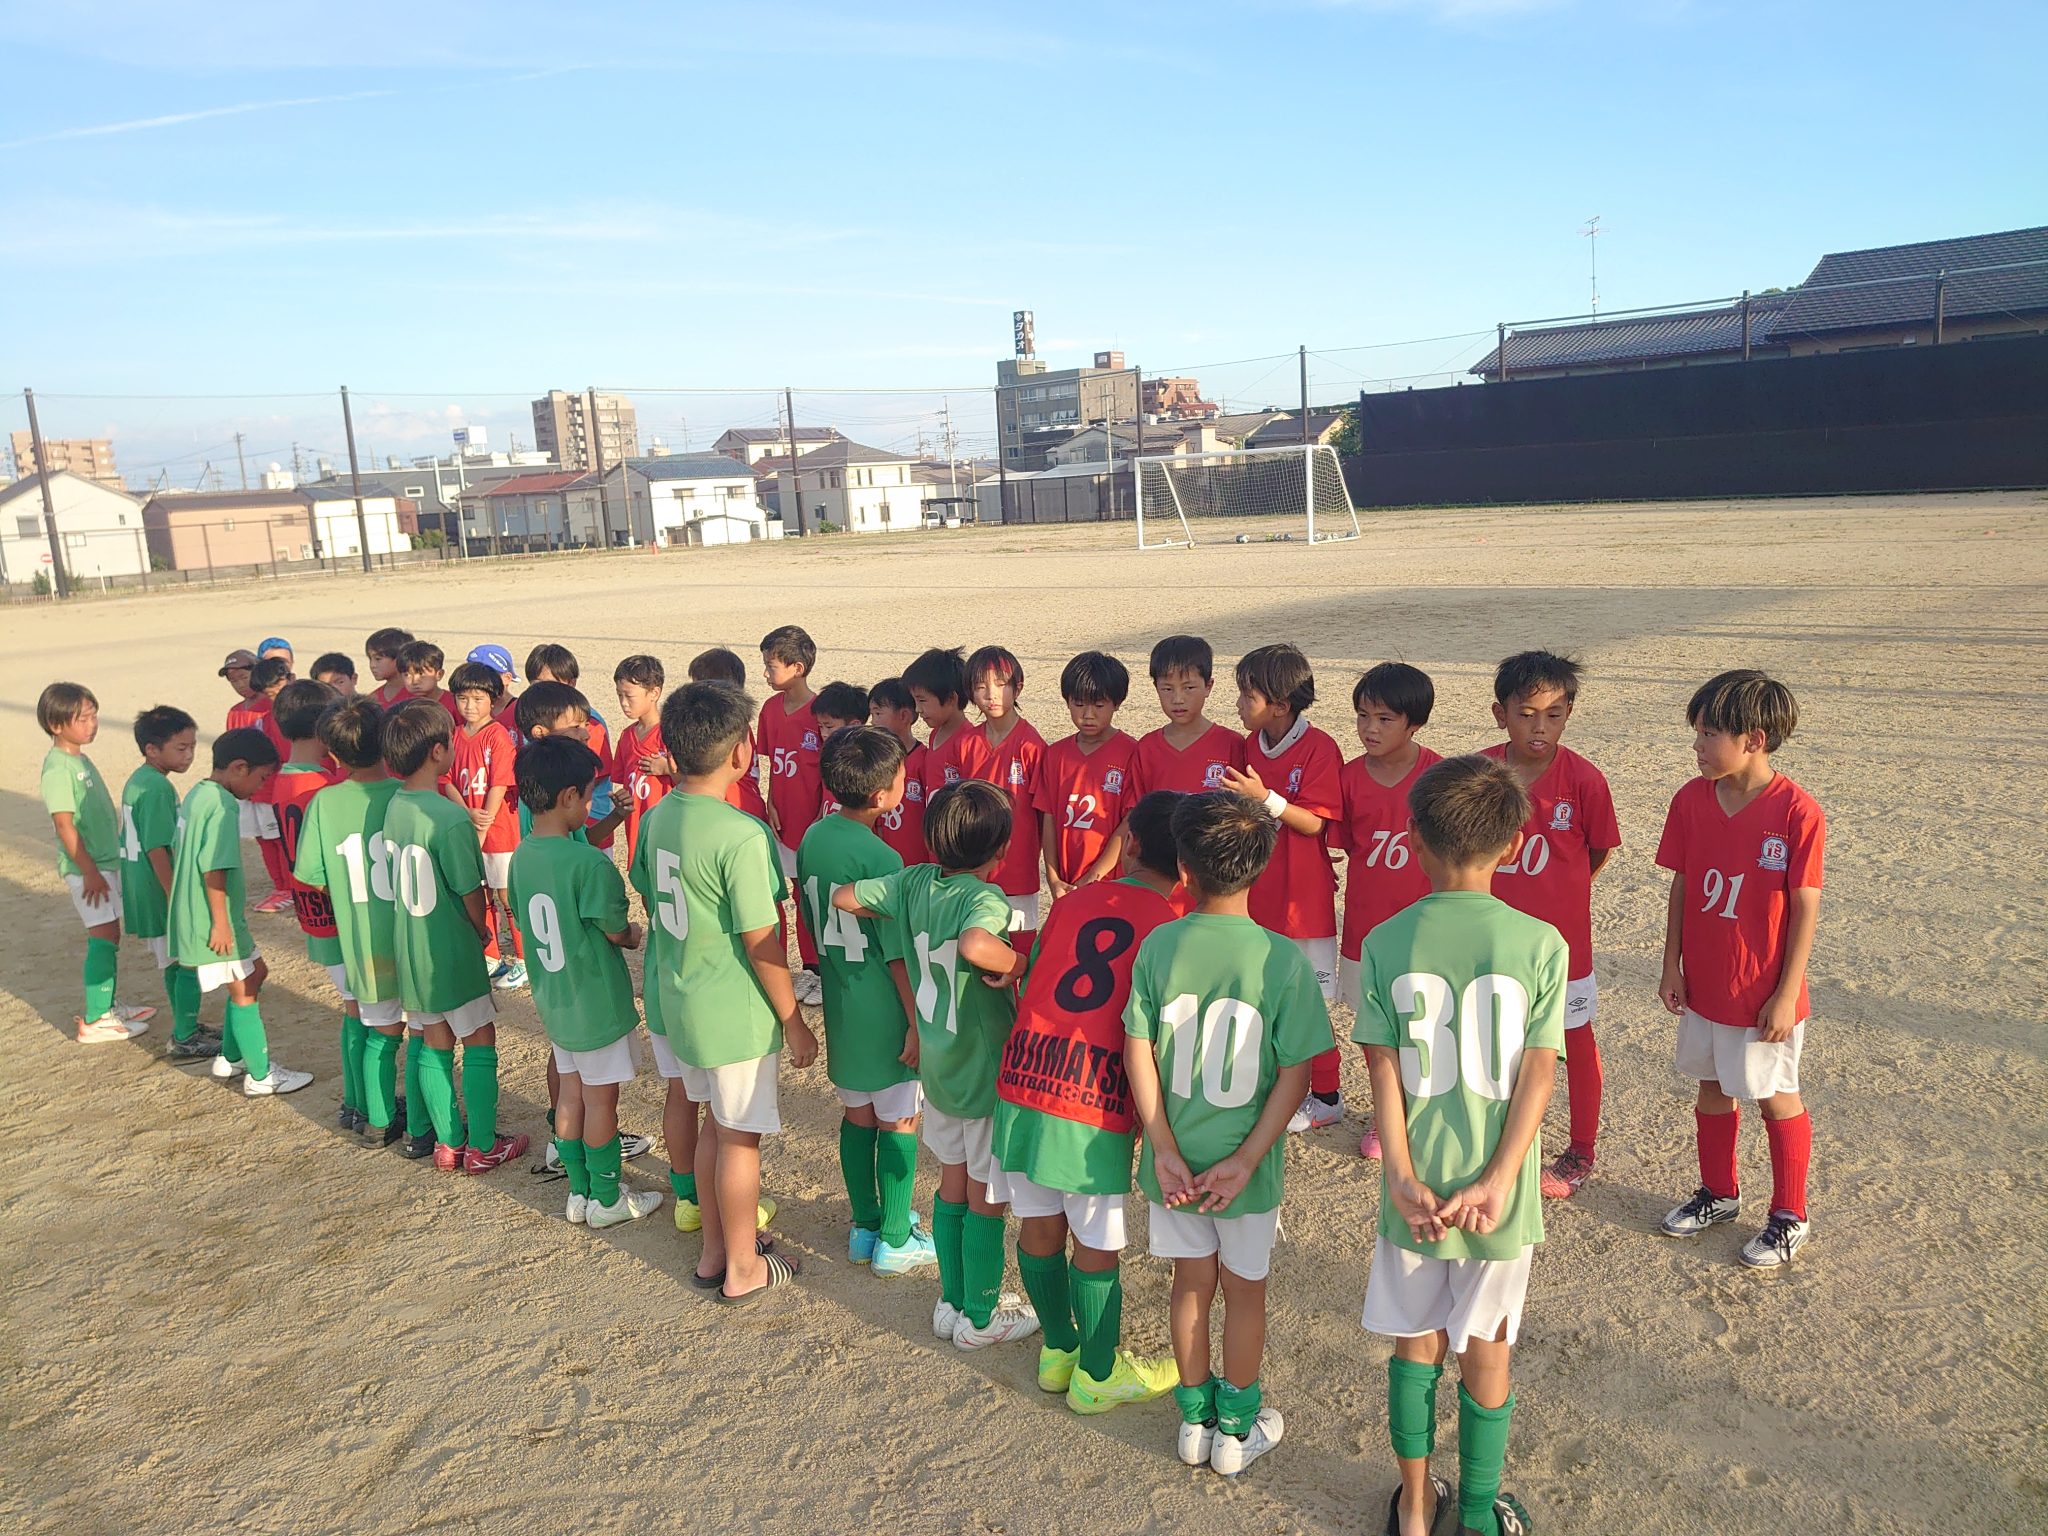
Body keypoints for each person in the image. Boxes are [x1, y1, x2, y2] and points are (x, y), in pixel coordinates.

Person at [1355, 754, 1563, 1536]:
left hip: (1416, 1185)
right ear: (1513, 845)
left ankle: (1414, 1506)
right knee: (1488, 1348)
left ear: (1413, 838)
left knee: (1415, 1345)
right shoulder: (1540, 942)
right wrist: (1502, 1179)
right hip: (1494, 1194)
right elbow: (1540, 1070)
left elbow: (1381, 1069)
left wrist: (1401, 1175)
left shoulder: (1385, 940)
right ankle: (1477, 1513)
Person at [1124, 790, 1326, 1477]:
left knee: (1189, 1283)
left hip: (1177, 1162)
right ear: (1261, 866)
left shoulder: (1160, 944)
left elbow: (1138, 1049)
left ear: (1183, 868)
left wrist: (1162, 1145)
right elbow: (1297, 1075)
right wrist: (1246, 1159)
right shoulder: (1282, 959)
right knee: (1245, 1291)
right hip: (1246, 1168)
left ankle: (1194, 1420)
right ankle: (1236, 1431)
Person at [992, 789, 1184, 1415]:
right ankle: (1097, 1373)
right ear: (1187, 869)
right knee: (1096, 1239)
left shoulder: (1074, 901)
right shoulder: (1170, 929)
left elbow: (1035, 972)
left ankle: (1058, 1349)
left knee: (1038, 1221)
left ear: (1129, 845)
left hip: (1025, 1075)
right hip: (1092, 1095)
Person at [835, 780, 1039, 1350]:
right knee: (986, 1196)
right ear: (1002, 852)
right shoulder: (985, 900)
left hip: (939, 1064)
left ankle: (951, 1301)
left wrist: (898, 905)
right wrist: (1018, 964)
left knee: (951, 1183)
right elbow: (975, 946)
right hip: (984, 1069)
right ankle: (981, 1317)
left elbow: (846, 897)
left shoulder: (914, 881)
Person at [631, 682, 817, 1301]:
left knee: (715, 1125)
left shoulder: (657, 816)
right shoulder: (742, 834)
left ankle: (716, 1250)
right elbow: (763, 941)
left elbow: (645, 888)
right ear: (742, 751)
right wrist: (792, 1020)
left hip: (681, 1002)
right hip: (731, 1014)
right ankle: (743, 1267)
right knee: (739, 1138)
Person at [1656, 670, 1824, 1270]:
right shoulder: (1691, 799)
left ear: (1754, 739)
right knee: (1711, 1087)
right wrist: (1672, 964)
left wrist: (1786, 993)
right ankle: (1719, 1193)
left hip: (1760, 992)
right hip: (1705, 983)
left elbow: (1805, 906)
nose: (1697, 745)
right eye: (1697, 733)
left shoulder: (1796, 812)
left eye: (1709, 734)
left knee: (1775, 1097)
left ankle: (1790, 1214)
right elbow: (1683, 883)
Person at [796, 725, 937, 1276]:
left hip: (840, 997)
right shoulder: (884, 858)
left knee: (857, 1115)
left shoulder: (814, 836)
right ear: (882, 795)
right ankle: (896, 1238)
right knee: (900, 1120)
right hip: (883, 1005)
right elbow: (897, 955)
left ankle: (865, 1226)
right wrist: (915, 1023)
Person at [510, 735, 664, 1230]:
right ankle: (607, 1197)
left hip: (554, 999)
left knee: (570, 1096)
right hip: (594, 1000)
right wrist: (634, 933)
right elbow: (616, 931)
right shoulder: (589, 863)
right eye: (590, 795)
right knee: (601, 1102)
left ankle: (579, 1192)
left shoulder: (522, 855)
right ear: (569, 796)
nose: (592, 804)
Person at [1481, 651, 1620, 1201]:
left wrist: (1560, 890)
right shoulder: (1480, 773)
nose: (1540, 727)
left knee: (1574, 1040)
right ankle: (1497, 1139)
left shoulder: (1585, 780)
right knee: (1494, 1039)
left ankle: (1581, 1150)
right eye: (1526, 714)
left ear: (1568, 715)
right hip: (1491, 938)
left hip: (1562, 944)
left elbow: (1598, 851)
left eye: (1554, 715)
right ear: (1501, 714)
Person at [380, 700, 528, 1174]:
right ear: (437, 752)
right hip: (450, 948)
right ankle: (482, 1145)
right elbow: (469, 891)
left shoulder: (395, 805)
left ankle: (447, 1143)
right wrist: (482, 930)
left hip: (411, 946)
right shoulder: (449, 818)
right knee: (480, 1039)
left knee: (434, 1040)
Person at [1219, 643, 1345, 1136]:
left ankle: (1328, 1095)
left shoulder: (1320, 748)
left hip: (1302, 898)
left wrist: (1265, 798)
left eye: (1246, 695)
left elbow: (1314, 823)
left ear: (1280, 704)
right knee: (1265, 994)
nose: (1238, 704)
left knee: (1308, 1000)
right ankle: (1276, 1086)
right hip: (1257, 892)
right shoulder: (1249, 746)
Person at [1331, 663, 1441, 1159]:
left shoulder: (1438, 776)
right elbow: (1340, 844)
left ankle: (1422, 1106)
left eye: (1384, 719)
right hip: (1365, 929)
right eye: (1362, 716)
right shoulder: (1349, 777)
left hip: (1424, 931)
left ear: (1414, 723)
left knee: (1423, 1025)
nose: (1369, 729)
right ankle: (1386, 1113)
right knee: (1374, 1030)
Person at [293, 696, 412, 1149]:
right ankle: (414, 1123)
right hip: (411, 934)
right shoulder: (406, 792)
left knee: (378, 1030)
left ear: (333, 754)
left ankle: (373, 1116)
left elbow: (310, 874)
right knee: (422, 1033)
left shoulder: (325, 802)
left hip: (361, 940)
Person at [172, 726, 314, 1095]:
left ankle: (231, 1057)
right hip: (215, 918)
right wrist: (220, 924)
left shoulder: (199, 794)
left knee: (256, 974)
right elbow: (213, 869)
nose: (260, 787)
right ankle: (261, 1075)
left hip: (210, 914)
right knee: (244, 990)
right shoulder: (222, 806)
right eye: (261, 778)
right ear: (239, 768)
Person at [268, 678, 365, 1128]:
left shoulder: (282, 781)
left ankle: (356, 1098)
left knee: (353, 1010)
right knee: (361, 1014)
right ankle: (361, 1102)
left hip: (312, 914)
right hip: (338, 915)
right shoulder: (322, 788)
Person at [38, 682, 154, 1043]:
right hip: (88, 868)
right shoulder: (58, 768)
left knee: (110, 933)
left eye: (93, 715)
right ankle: (95, 1018)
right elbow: (64, 824)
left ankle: (107, 1003)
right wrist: (89, 871)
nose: (92, 724)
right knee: (102, 937)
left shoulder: (79, 758)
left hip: (104, 862)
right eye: (83, 718)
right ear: (56, 725)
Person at [121, 704, 211, 1055]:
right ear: (152, 750)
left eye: (192, 747)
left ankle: (186, 1026)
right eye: (181, 748)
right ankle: (186, 1037)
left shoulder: (141, 779)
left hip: (143, 887)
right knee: (187, 959)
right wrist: (177, 898)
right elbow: (157, 848)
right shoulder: (156, 788)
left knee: (174, 961)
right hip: (158, 889)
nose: (189, 755)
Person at [957, 645, 1047, 949]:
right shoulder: (966, 743)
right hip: (974, 871)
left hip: (1017, 874)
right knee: (978, 948)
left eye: (1000, 684)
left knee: (1018, 952)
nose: (991, 695)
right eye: (981, 686)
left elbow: (1044, 817)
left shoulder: (1032, 746)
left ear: (1017, 687)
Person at [757, 625, 826, 1004]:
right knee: (794, 894)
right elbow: (774, 763)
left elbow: (827, 771)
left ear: (797, 668)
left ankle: (819, 967)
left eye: (772, 666)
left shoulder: (819, 713)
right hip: (782, 819)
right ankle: (808, 967)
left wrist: (821, 815)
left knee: (812, 895)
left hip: (811, 821)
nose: (766, 673)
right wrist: (770, 800)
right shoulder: (770, 709)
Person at [447, 661, 525, 992]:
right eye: (463, 698)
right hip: (469, 825)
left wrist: (483, 822)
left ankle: (523, 959)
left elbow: (500, 783)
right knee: (481, 895)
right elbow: (446, 779)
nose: (469, 706)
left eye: (478, 699)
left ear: (492, 700)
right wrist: (466, 813)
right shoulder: (454, 735)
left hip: (499, 829)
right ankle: (490, 954)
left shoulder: (498, 736)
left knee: (508, 895)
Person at [1035, 650, 1139, 899]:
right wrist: (1053, 878)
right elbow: (1048, 817)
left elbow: (1130, 821)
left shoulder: (1132, 752)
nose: (1088, 714)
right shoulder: (1055, 754)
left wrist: (1094, 875)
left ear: (1117, 703)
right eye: (1079, 704)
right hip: (1066, 883)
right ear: (1067, 701)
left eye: (1099, 705)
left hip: (1112, 883)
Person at [1127, 635, 1242, 800]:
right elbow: (1138, 808)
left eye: (1189, 687)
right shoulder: (1147, 748)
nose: (1178, 699)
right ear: (1156, 687)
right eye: (1167, 689)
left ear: (1208, 686)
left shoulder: (1232, 744)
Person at [591, 653, 671, 867]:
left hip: (665, 828)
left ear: (654, 693)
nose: (623, 703)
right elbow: (626, 783)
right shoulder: (627, 736)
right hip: (636, 828)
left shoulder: (671, 733)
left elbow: (694, 776)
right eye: (619, 695)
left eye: (629, 696)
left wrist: (667, 768)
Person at [689, 646, 773, 823]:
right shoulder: (736, 721)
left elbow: (704, 767)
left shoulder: (726, 728)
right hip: (741, 806)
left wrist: (666, 768)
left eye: (697, 686)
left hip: (737, 808)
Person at [245, 654, 297, 913]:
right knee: (267, 840)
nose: (275, 694)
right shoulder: (263, 721)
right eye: (269, 691)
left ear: (291, 678)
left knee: (284, 840)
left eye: (277, 686)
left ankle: (289, 887)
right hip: (266, 791)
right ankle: (281, 886)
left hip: (288, 790)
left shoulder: (305, 714)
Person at [867, 676, 929, 866]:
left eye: (878, 713)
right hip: (883, 861)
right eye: (871, 714)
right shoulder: (876, 759)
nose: (873, 721)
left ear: (904, 716)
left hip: (917, 863)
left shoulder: (923, 761)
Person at [903, 645, 974, 793]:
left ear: (950, 698)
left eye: (922, 700)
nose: (917, 709)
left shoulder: (970, 743)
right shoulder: (935, 734)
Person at [810, 681, 870, 815]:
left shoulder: (865, 760)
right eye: (820, 726)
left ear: (854, 725)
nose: (824, 733)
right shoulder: (829, 753)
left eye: (829, 727)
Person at [394, 640, 461, 723]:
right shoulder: (400, 704)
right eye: (407, 675)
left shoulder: (455, 703)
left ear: (439, 674)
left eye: (421, 673)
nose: (415, 681)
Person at [467, 644, 520, 730]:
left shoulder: (521, 711)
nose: (477, 680)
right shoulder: (465, 708)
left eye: (487, 675)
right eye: (471, 674)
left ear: (506, 678)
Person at [364, 628, 414, 710]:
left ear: (399, 658)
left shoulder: (418, 694)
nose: (372, 665)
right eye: (370, 659)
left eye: (378, 659)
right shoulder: (372, 700)